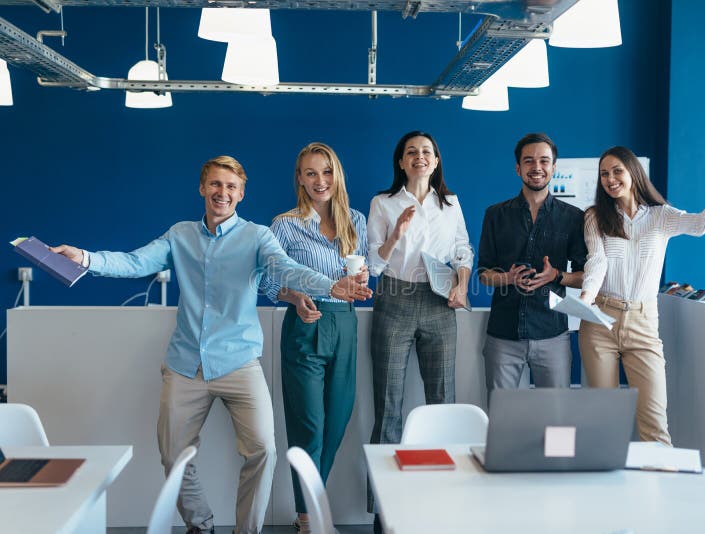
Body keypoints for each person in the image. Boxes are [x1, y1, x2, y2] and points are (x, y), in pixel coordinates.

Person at [52, 155, 372, 534]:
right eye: (216, 184)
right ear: (202, 188)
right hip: (185, 364)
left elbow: (286, 269)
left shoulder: (258, 237)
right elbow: (135, 262)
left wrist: (330, 286)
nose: (223, 192)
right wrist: (84, 257)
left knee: (264, 451)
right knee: (173, 456)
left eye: (231, 186)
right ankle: (200, 525)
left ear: (241, 194)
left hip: (239, 363)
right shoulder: (180, 235)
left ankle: (245, 531)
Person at [579, 146, 705, 445]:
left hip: (643, 323)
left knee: (655, 423)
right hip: (600, 320)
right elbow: (597, 261)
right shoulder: (595, 217)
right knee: (604, 421)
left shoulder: (660, 216)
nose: (610, 179)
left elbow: (700, 225)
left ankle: (659, 475)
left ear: (633, 172)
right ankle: (606, 475)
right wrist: (586, 296)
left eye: (617, 171)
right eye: (604, 174)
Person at [366, 131, 472, 530]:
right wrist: (396, 233)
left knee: (443, 405)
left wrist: (463, 284)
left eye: (427, 151)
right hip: (394, 299)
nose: (420, 157)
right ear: (401, 161)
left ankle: (444, 507)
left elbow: (463, 249)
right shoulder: (383, 203)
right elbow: (373, 265)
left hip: (440, 301)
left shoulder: (451, 203)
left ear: (436, 160)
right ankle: (382, 514)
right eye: (411, 152)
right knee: (388, 408)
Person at [260, 143, 368, 534]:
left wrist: (361, 279)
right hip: (306, 324)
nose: (320, 181)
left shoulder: (355, 220)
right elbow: (267, 282)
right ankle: (310, 518)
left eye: (326, 172)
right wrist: (296, 297)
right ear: (300, 179)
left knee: (336, 424)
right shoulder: (284, 225)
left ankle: (311, 507)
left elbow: (363, 271)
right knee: (309, 427)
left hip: (345, 324)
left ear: (336, 175)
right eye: (311, 173)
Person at [478, 133, 587, 398]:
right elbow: (483, 273)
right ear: (518, 168)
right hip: (503, 335)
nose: (536, 167)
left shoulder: (574, 217)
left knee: (556, 415)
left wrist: (556, 275)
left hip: (553, 334)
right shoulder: (495, 214)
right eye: (529, 161)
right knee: (503, 415)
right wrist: (508, 278)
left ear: (553, 167)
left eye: (544, 161)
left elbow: (585, 276)